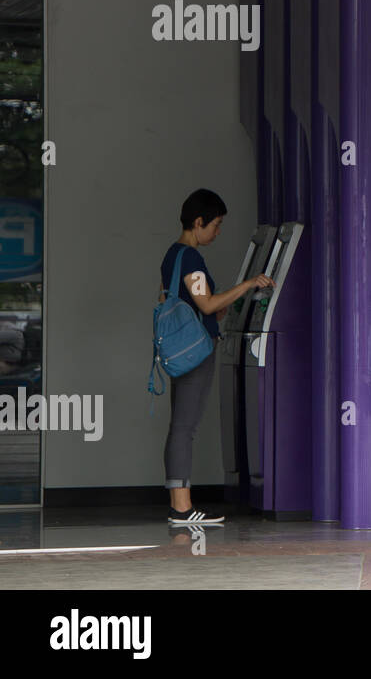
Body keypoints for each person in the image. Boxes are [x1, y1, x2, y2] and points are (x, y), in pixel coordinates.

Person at [159, 189, 273, 526]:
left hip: (181, 349)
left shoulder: (172, 257)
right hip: (195, 353)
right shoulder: (189, 257)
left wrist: (224, 302)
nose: (217, 232)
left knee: (181, 425)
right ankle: (181, 508)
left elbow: (201, 305)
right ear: (198, 222)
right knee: (184, 427)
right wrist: (249, 284)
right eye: (216, 225)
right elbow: (207, 304)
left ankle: (180, 504)